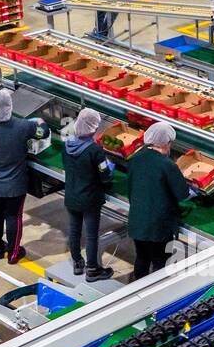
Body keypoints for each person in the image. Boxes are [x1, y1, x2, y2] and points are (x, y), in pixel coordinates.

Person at [0, 87, 46, 264]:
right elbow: (44, 133)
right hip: (14, 186)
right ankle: (13, 254)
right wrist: (41, 121)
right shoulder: (23, 126)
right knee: (14, 217)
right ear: (9, 106)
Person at [127, 121, 192, 280]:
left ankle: (138, 290)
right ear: (167, 143)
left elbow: (130, 189)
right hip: (159, 227)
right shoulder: (167, 165)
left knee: (141, 258)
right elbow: (182, 195)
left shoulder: (135, 159)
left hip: (137, 221)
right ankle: (156, 294)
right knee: (160, 263)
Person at [64, 107, 115, 280]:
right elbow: (104, 176)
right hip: (90, 199)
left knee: (74, 230)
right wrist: (110, 170)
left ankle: (77, 262)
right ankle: (92, 269)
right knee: (92, 234)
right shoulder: (95, 150)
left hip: (72, 196)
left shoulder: (68, 144)